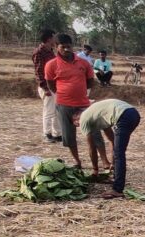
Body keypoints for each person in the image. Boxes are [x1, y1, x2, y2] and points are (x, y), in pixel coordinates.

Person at [44, 33, 107, 173]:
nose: (66, 49)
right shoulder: (51, 65)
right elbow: (51, 84)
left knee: (94, 132)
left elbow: (90, 81)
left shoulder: (83, 63)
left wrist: (79, 90)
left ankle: (105, 161)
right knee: (69, 135)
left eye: (69, 46)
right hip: (64, 104)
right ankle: (77, 161)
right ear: (56, 47)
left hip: (83, 103)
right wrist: (65, 93)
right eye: (63, 47)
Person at [74, 99, 140, 199]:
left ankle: (117, 189)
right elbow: (111, 139)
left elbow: (91, 147)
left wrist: (95, 170)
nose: (79, 127)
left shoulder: (83, 118)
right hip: (133, 113)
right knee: (119, 152)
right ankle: (116, 178)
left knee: (119, 154)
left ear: (76, 119)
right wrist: (113, 164)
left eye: (76, 125)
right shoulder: (98, 114)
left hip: (123, 115)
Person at [32, 29, 60, 143]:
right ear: (49, 39)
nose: (55, 40)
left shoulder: (50, 51)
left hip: (54, 85)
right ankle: (47, 133)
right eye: (54, 37)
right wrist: (45, 87)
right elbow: (39, 72)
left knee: (56, 111)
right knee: (49, 110)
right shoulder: (39, 52)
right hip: (47, 86)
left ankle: (57, 133)